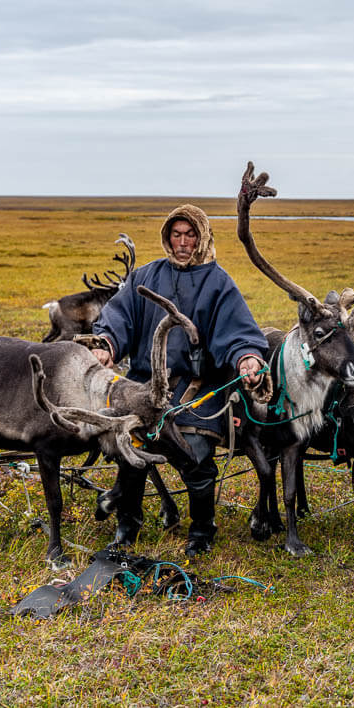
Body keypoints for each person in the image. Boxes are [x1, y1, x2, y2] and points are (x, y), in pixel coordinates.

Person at [90, 204, 268, 556]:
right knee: (131, 450)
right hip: (143, 383)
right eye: (176, 234)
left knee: (196, 455)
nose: (183, 242)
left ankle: (202, 528)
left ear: (201, 238)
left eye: (190, 235)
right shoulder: (145, 276)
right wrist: (106, 344)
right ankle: (128, 524)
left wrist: (247, 358)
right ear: (167, 237)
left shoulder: (219, 283)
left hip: (197, 388)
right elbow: (119, 316)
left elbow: (238, 332)